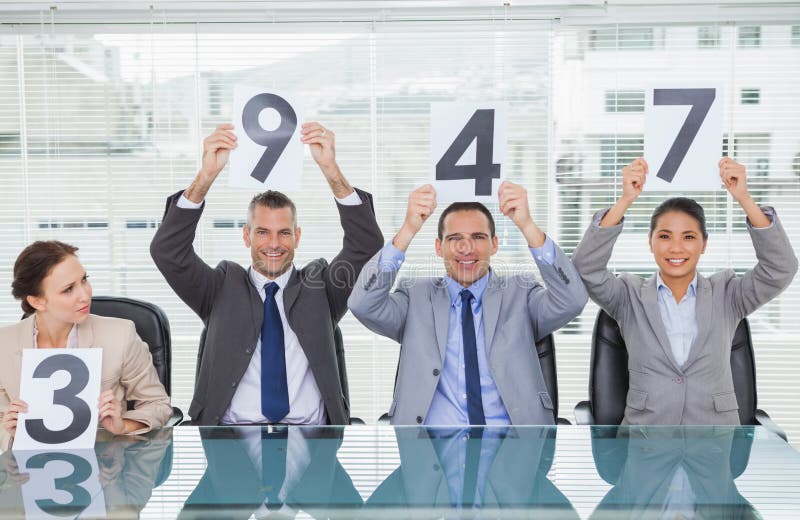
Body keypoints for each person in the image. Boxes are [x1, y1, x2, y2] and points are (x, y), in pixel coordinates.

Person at [150, 122, 383, 426]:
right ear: (246, 236)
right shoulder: (219, 288)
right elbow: (168, 251)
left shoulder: (322, 287)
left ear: (297, 237)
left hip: (312, 438)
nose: (274, 244)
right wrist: (205, 177)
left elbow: (366, 245)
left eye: (284, 233)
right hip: (232, 437)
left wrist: (331, 170)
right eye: (262, 232)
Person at [572, 157, 798, 425]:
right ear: (650, 242)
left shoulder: (728, 295)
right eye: (664, 236)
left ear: (704, 244)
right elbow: (585, 269)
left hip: (713, 440)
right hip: (647, 439)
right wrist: (625, 200)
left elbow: (780, 268)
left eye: (689, 237)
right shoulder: (628, 297)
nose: (676, 248)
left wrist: (744, 198)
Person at [348, 181, 587, 425]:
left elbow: (572, 300)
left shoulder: (521, 292)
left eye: (478, 237)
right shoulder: (415, 296)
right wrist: (408, 231)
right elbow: (363, 304)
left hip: (513, 441)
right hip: (429, 441)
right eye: (454, 238)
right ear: (439, 247)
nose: (466, 248)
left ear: (494, 244)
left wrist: (527, 226)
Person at [0, 241, 172, 450]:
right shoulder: (4, 344)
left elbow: (157, 404)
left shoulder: (120, 335)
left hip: (104, 460)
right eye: (68, 289)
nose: (85, 295)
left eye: (84, 280)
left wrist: (123, 425)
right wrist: (12, 433)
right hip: (31, 464)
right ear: (37, 301)